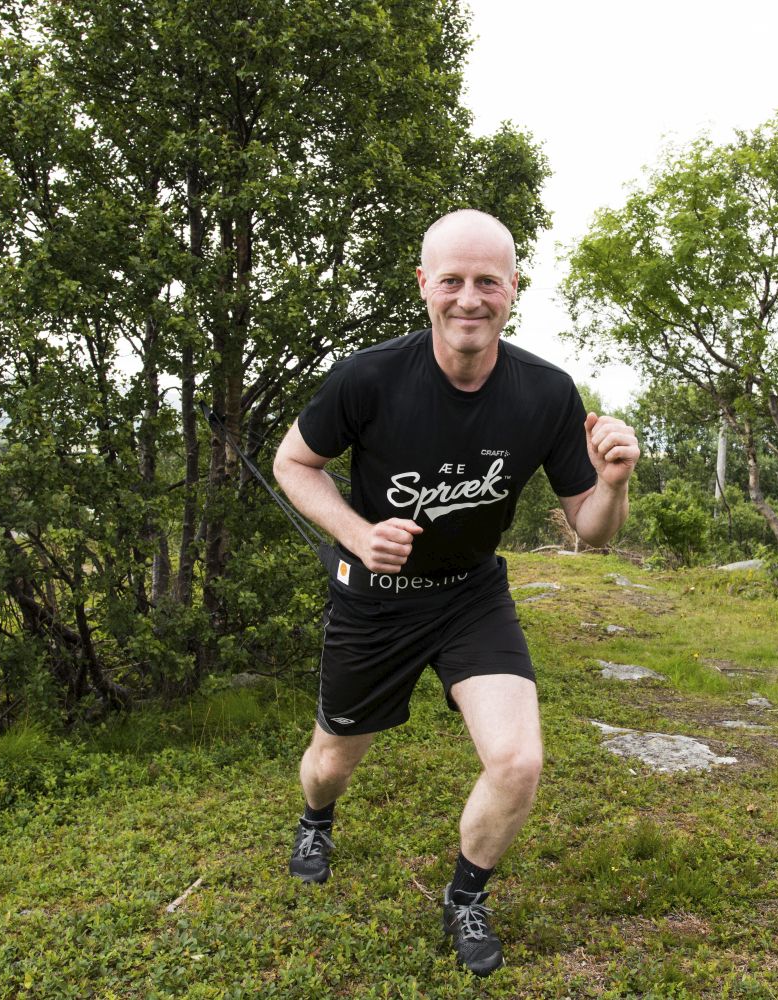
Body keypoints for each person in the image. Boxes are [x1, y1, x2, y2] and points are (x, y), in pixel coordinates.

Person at [271, 208, 639, 976]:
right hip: (375, 597)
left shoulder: (545, 392)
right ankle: (317, 818)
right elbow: (292, 464)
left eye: (487, 282)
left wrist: (613, 482)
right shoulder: (368, 377)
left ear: (513, 290)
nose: (469, 298)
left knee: (519, 761)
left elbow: (593, 531)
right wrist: (355, 532)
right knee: (333, 757)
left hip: (471, 594)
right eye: (452, 281)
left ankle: (466, 897)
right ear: (424, 287)